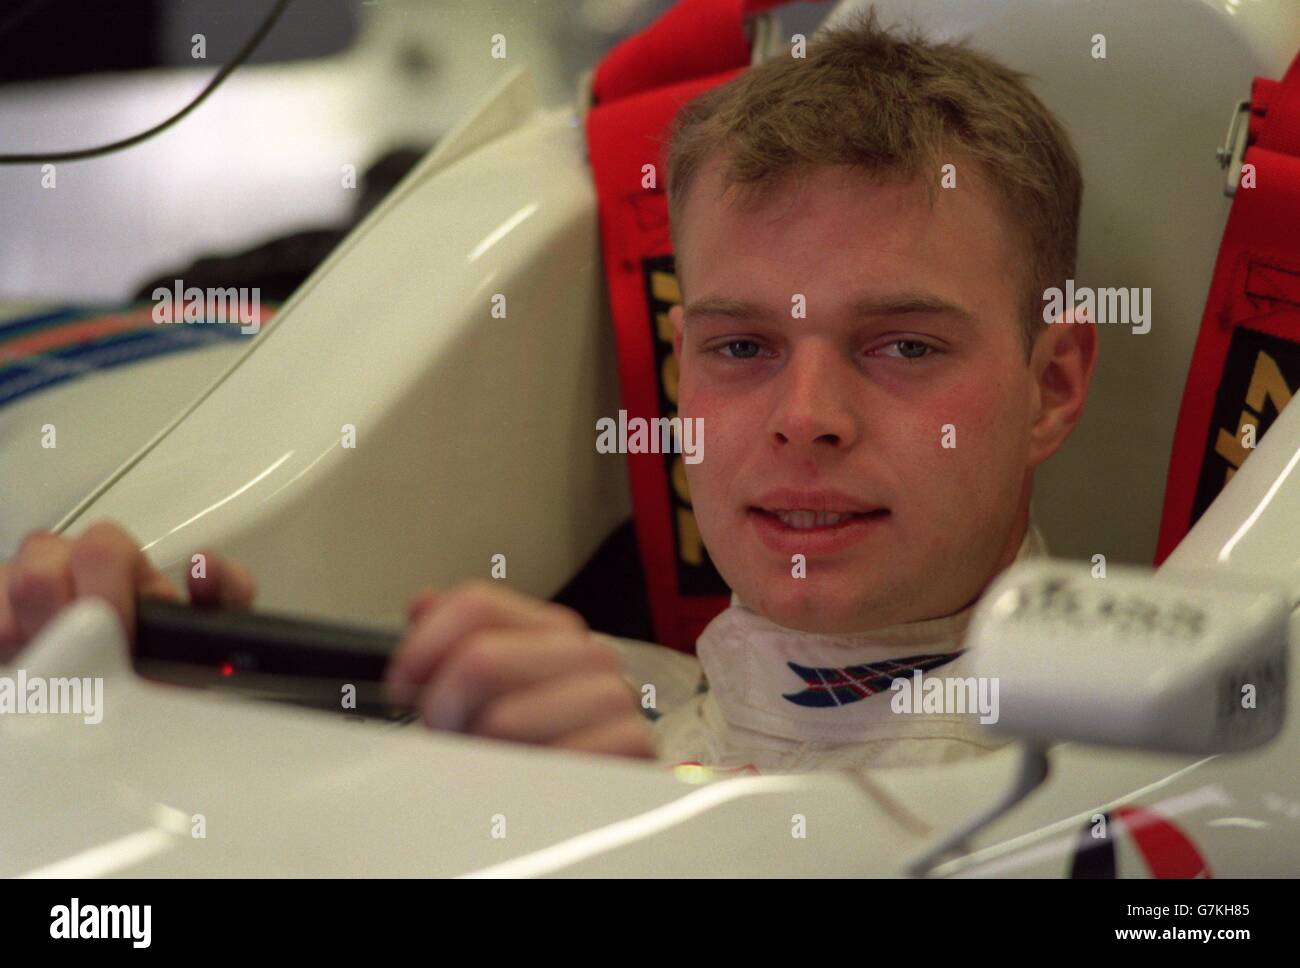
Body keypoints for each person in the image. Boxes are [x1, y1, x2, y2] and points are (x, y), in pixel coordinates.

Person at [0, 12, 1096, 772]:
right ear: (675, 374)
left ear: (1053, 383)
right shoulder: (586, 690)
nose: (805, 414)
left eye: (901, 347)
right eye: (741, 347)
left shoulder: (1148, 788)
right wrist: (169, 731)